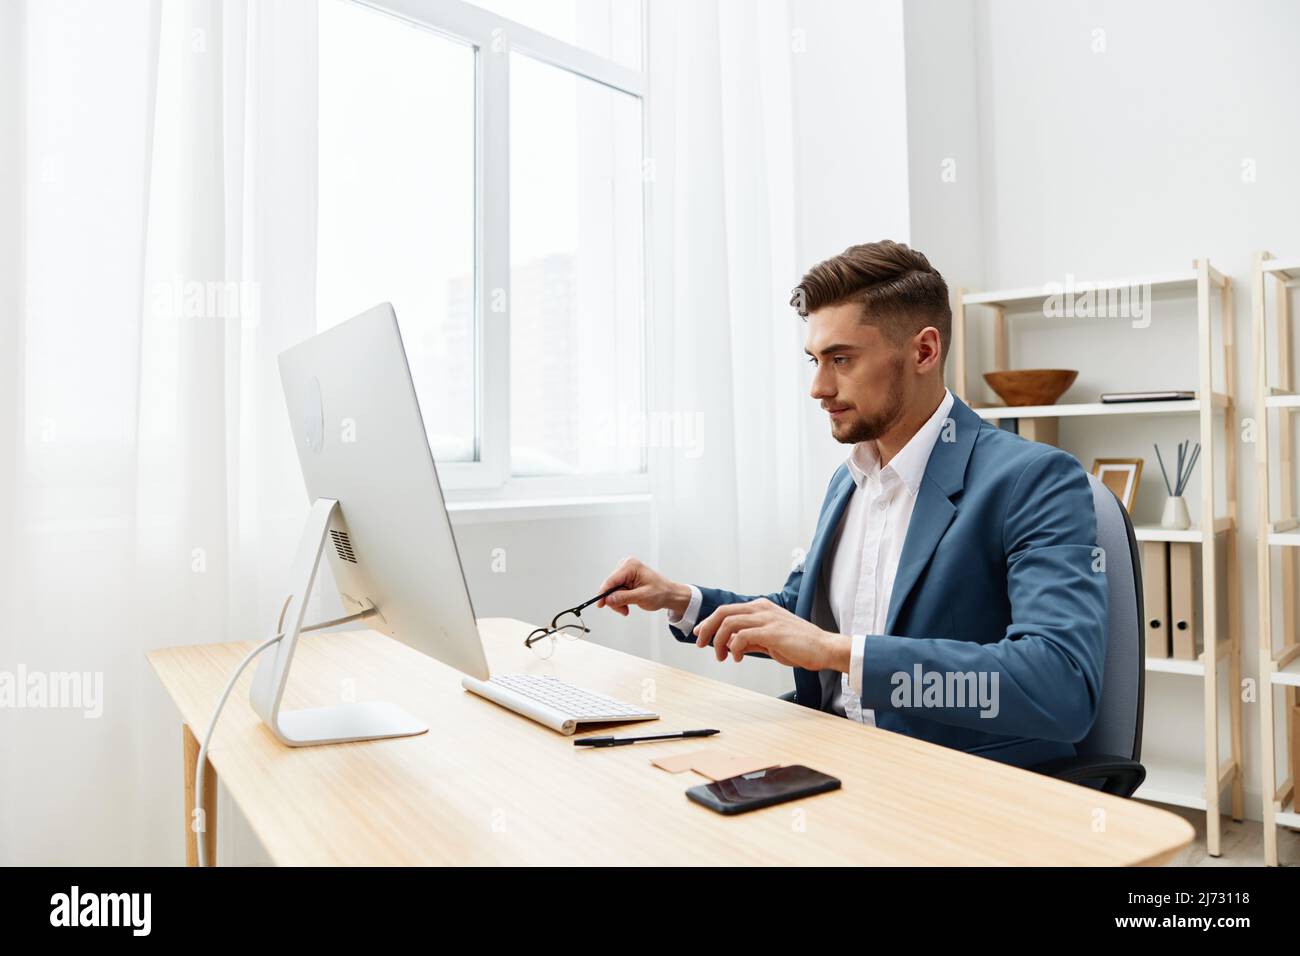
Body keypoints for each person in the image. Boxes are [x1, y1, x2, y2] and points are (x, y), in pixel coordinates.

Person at [596, 240, 1108, 769]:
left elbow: (1059, 685)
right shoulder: (851, 479)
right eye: (815, 360)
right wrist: (681, 598)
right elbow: (805, 617)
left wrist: (841, 653)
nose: (818, 387)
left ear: (924, 352)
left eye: (841, 359)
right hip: (836, 757)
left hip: (955, 778)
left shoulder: (1034, 480)